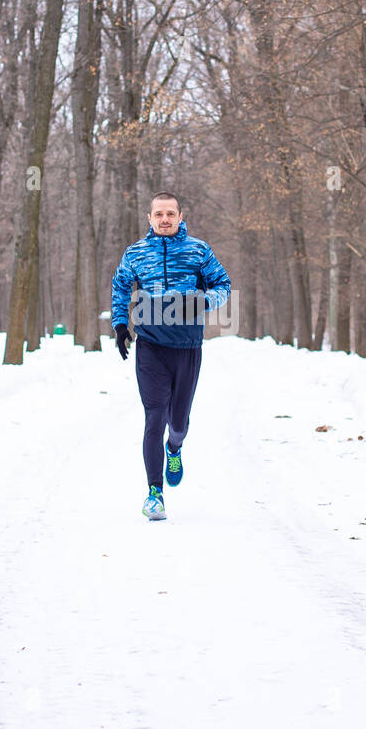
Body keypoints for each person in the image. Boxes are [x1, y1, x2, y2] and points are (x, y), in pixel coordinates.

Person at [110, 192, 231, 520]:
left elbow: (222, 284)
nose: (165, 219)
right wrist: (121, 325)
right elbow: (121, 287)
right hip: (150, 345)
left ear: (180, 216)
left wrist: (202, 301)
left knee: (177, 422)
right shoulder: (135, 253)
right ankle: (155, 493)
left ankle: (174, 448)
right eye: (159, 214)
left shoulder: (198, 250)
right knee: (155, 416)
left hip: (187, 347)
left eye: (170, 214)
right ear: (149, 218)